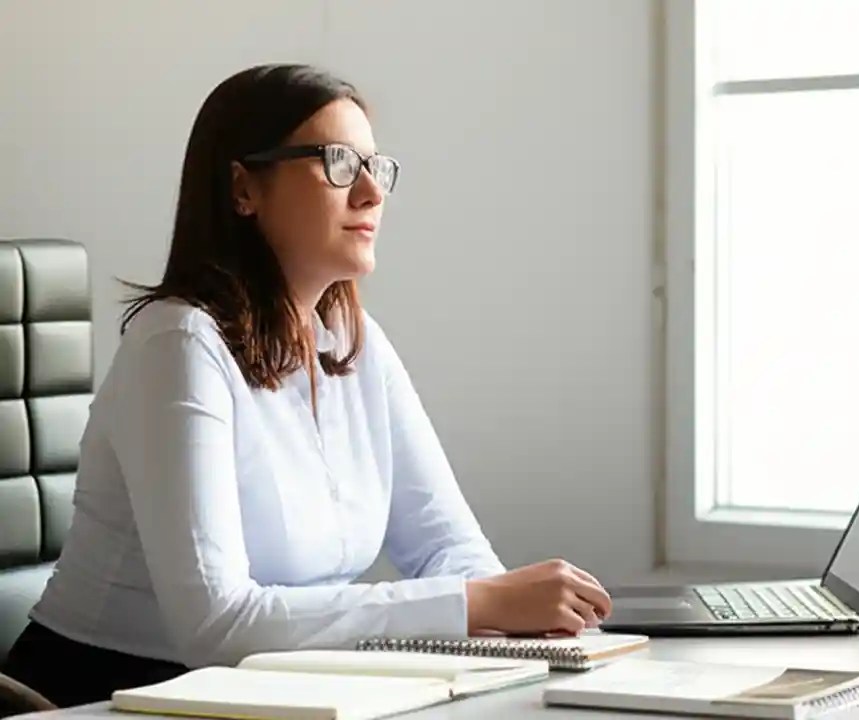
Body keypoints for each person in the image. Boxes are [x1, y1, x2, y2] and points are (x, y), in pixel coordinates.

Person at [0, 63, 611, 707]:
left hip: (278, 691)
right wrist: (473, 603)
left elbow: (447, 547)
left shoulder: (354, 340)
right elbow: (215, 624)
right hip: (107, 693)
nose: (372, 191)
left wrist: (516, 628)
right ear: (243, 188)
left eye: (377, 166)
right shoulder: (178, 343)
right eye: (339, 163)